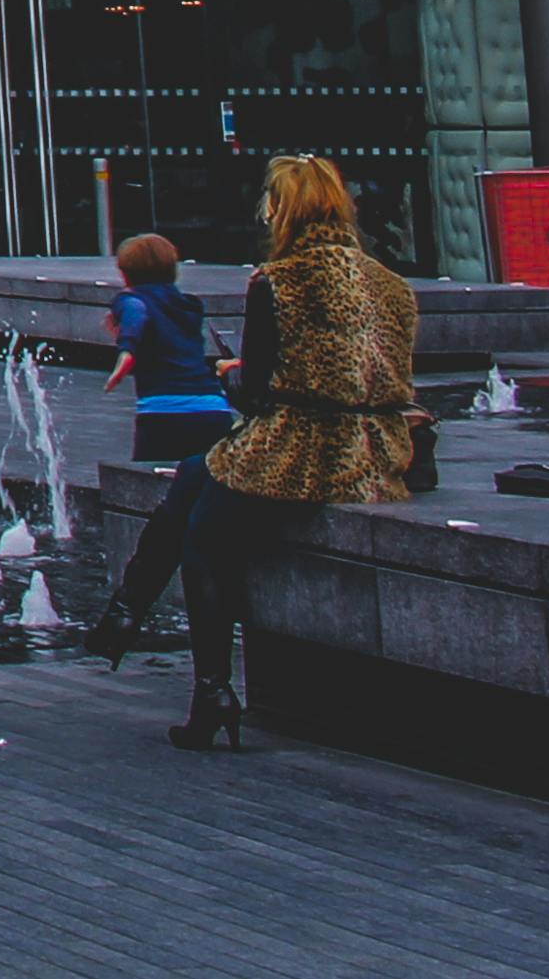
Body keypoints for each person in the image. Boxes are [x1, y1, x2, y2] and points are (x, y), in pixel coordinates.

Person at [153, 156, 421, 750]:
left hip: (301, 450)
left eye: (269, 200)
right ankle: (126, 615)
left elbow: (256, 397)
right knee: (197, 476)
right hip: (377, 450)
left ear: (284, 210)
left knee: (202, 536)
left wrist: (227, 373)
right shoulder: (391, 284)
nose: (263, 210)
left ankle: (211, 690)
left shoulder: (277, 279)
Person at [89, 230, 238, 656]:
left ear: (125, 273)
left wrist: (126, 353)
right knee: (201, 507)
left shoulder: (132, 299)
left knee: (159, 510)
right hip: (213, 413)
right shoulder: (188, 305)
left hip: (165, 417)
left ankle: (133, 610)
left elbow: (135, 315)